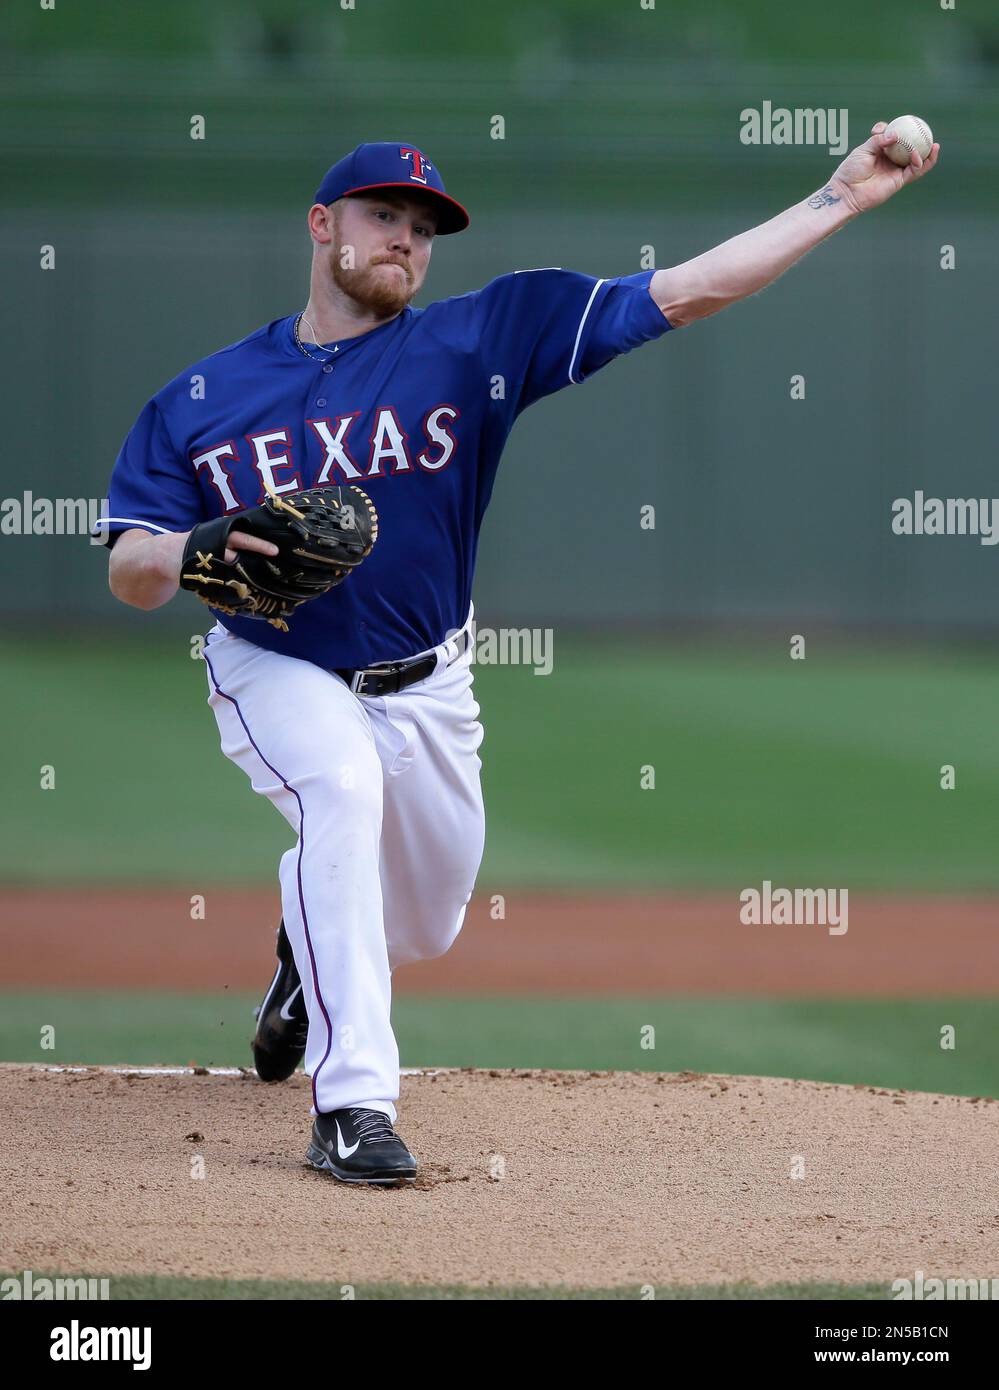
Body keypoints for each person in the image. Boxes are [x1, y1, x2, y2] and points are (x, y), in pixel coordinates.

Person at [99, 130, 939, 1185]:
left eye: (422, 226)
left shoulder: (482, 338)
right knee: (341, 794)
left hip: (430, 679)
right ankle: (352, 1106)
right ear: (322, 226)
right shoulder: (203, 398)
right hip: (276, 663)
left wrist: (838, 199)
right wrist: (193, 550)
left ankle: (302, 972)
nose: (405, 238)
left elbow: (689, 291)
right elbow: (131, 567)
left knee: (432, 920)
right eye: (382, 215)